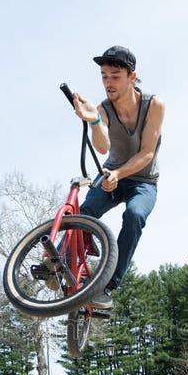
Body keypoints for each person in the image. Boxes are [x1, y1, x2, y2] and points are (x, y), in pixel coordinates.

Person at [73, 45, 165, 309]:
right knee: (85, 212)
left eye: (115, 76)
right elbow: (102, 147)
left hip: (144, 182)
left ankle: (109, 286)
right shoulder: (104, 108)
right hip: (112, 175)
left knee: (135, 215)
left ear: (131, 77)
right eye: (104, 76)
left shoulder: (154, 105)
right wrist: (93, 121)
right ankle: (60, 262)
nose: (108, 82)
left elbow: (147, 153)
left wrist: (119, 173)